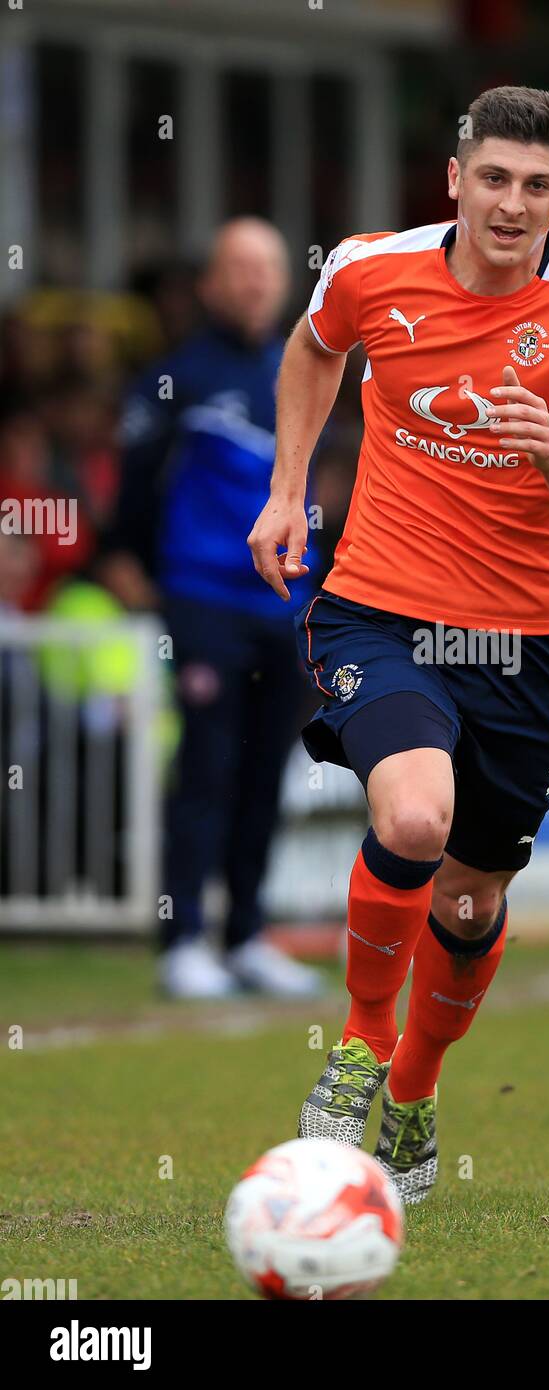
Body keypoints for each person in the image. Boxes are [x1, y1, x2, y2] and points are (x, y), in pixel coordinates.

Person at [248, 86, 549, 1203]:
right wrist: (289, 494)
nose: (511, 204)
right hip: (380, 607)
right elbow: (313, 349)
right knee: (413, 816)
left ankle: (415, 1089)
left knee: (470, 903)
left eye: (537, 186)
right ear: (455, 178)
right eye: (494, 178)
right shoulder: (371, 268)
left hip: (521, 641)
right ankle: (365, 1042)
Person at [103, 218, 323, 1000]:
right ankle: (184, 936)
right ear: (209, 283)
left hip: (285, 605)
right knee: (206, 764)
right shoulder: (176, 378)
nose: (256, 282)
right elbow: (131, 493)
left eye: (267, 267)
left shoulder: (304, 369)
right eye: (240, 268)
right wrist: (128, 563)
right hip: (201, 598)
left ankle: (248, 935)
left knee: (267, 772)